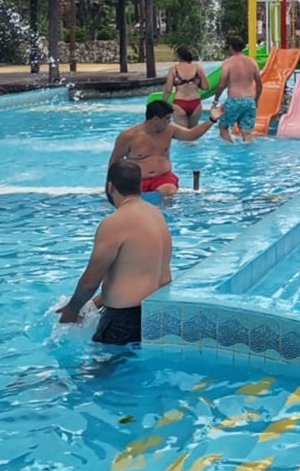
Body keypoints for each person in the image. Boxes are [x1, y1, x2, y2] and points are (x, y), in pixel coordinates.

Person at [56, 158, 173, 345]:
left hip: (124, 321)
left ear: (110, 187)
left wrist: (72, 309)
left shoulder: (115, 222)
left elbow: (90, 280)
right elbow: (141, 273)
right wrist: (96, 303)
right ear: (139, 186)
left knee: (99, 373)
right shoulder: (155, 214)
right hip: (156, 313)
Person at [107, 98, 221, 197]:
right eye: (166, 119)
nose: (169, 122)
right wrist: (109, 185)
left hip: (163, 178)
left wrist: (212, 120)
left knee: (169, 193)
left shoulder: (169, 129)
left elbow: (191, 135)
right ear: (155, 119)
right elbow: (114, 161)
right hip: (136, 180)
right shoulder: (128, 136)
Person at [214, 34, 262, 142]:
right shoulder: (252, 62)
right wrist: (256, 100)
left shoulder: (228, 63)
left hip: (234, 100)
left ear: (230, 47)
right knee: (247, 132)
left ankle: (231, 149)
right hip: (249, 101)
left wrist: (216, 99)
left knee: (223, 127)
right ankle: (248, 154)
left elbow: (222, 84)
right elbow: (259, 85)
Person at [163, 45, 207, 129]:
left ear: (179, 56)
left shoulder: (174, 69)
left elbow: (168, 90)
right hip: (195, 103)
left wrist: (163, 102)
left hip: (180, 103)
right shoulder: (197, 68)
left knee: (182, 134)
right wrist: (195, 83)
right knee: (193, 134)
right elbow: (206, 87)